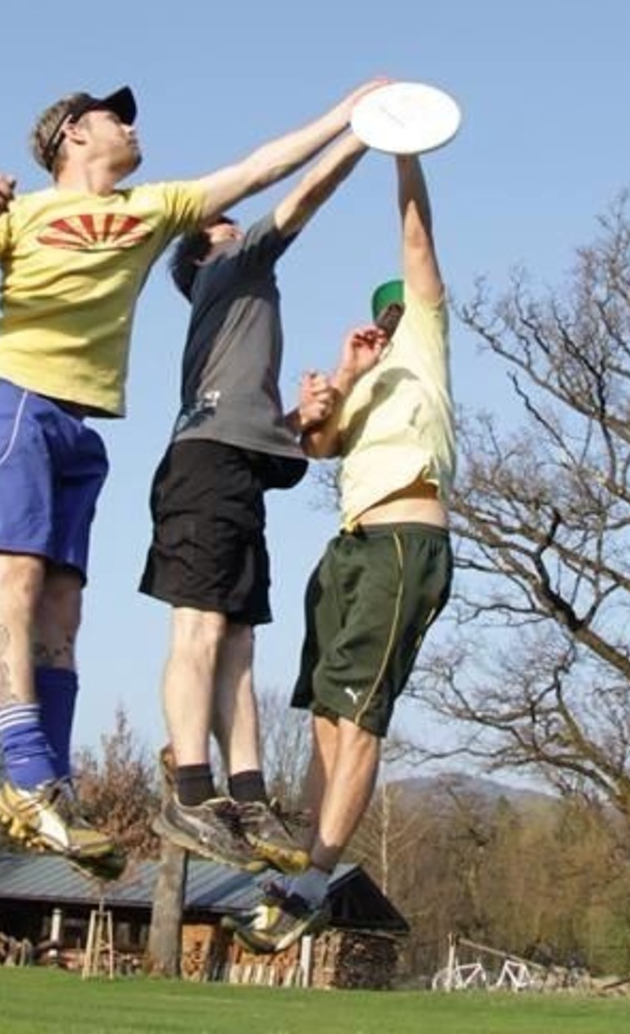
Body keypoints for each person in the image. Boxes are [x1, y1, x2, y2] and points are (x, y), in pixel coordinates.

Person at [0, 79, 383, 878]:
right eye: (113, 116)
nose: (130, 124)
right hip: (11, 399)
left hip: (79, 427)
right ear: (72, 135)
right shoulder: (25, 213)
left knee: (64, 608)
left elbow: (263, 167)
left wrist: (348, 113)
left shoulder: (150, 209)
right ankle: (25, 772)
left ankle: (50, 790)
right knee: (17, 579)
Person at [230, 151, 454, 951]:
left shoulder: (425, 351)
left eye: (401, 314)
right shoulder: (371, 375)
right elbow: (317, 447)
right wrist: (338, 385)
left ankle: (314, 879)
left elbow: (419, 251)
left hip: (405, 540)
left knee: (358, 721)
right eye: (382, 317)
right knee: (327, 717)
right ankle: (305, 865)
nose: (391, 325)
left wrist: (405, 156)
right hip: (349, 546)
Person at [141, 129, 370, 874]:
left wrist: (315, 404)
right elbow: (304, 195)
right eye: (226, 223)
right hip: (202, 467)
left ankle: (247, 793)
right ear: (207, 251)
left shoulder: (246, 326)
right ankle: (191, 790)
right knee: (201, 629)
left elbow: (291, 453)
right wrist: (367, 131)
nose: (240, 224)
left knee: (239, 644)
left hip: (236, 470)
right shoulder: (228, 270)